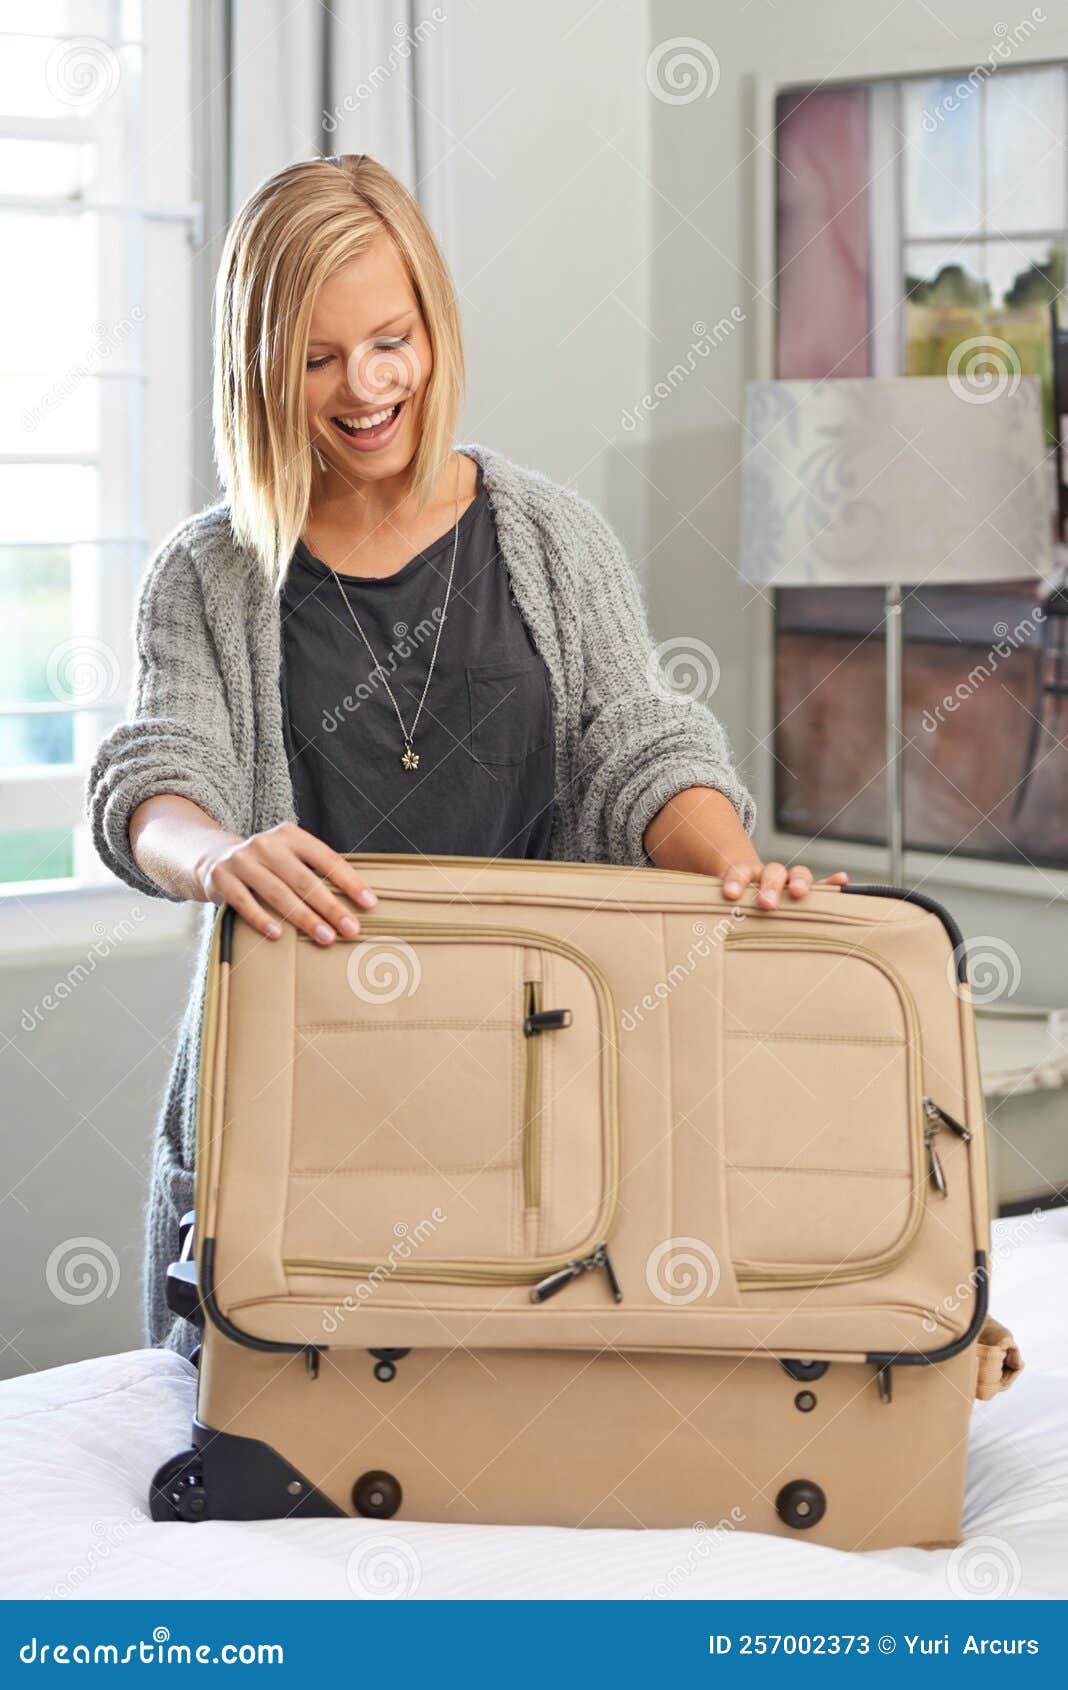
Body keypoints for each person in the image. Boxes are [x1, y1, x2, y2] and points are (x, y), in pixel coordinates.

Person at [87, 154, 847, 1353]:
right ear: (258, 365)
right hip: (304, 1092)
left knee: (529, 1402)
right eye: (318, 357)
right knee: (275, 1414)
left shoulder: (548, 536)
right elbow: (159, 774)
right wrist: (220, 853)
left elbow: (638, 744)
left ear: (434, 329)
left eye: (390, 341)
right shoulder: (208, 572)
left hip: (540, 1077)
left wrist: (734, 868)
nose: (365, 386)